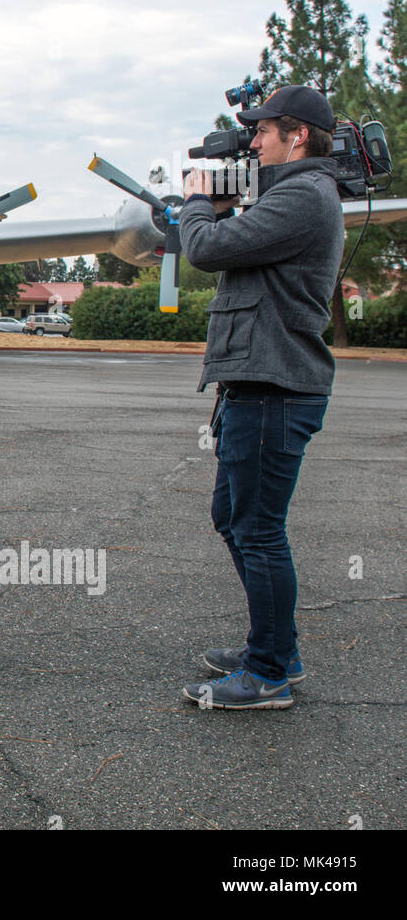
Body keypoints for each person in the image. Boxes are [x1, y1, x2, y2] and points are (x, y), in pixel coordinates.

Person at [178, 84, 345, 710]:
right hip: (256, 387)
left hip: (276, 391)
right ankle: (272, 646)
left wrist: (197, 202)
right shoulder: (292, 194)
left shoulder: (305, 194)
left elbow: (207, 249)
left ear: (296, 135)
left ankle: (271, 672)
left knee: (258, 529)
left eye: (262, 131)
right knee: (234, 519)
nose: (252, 142)